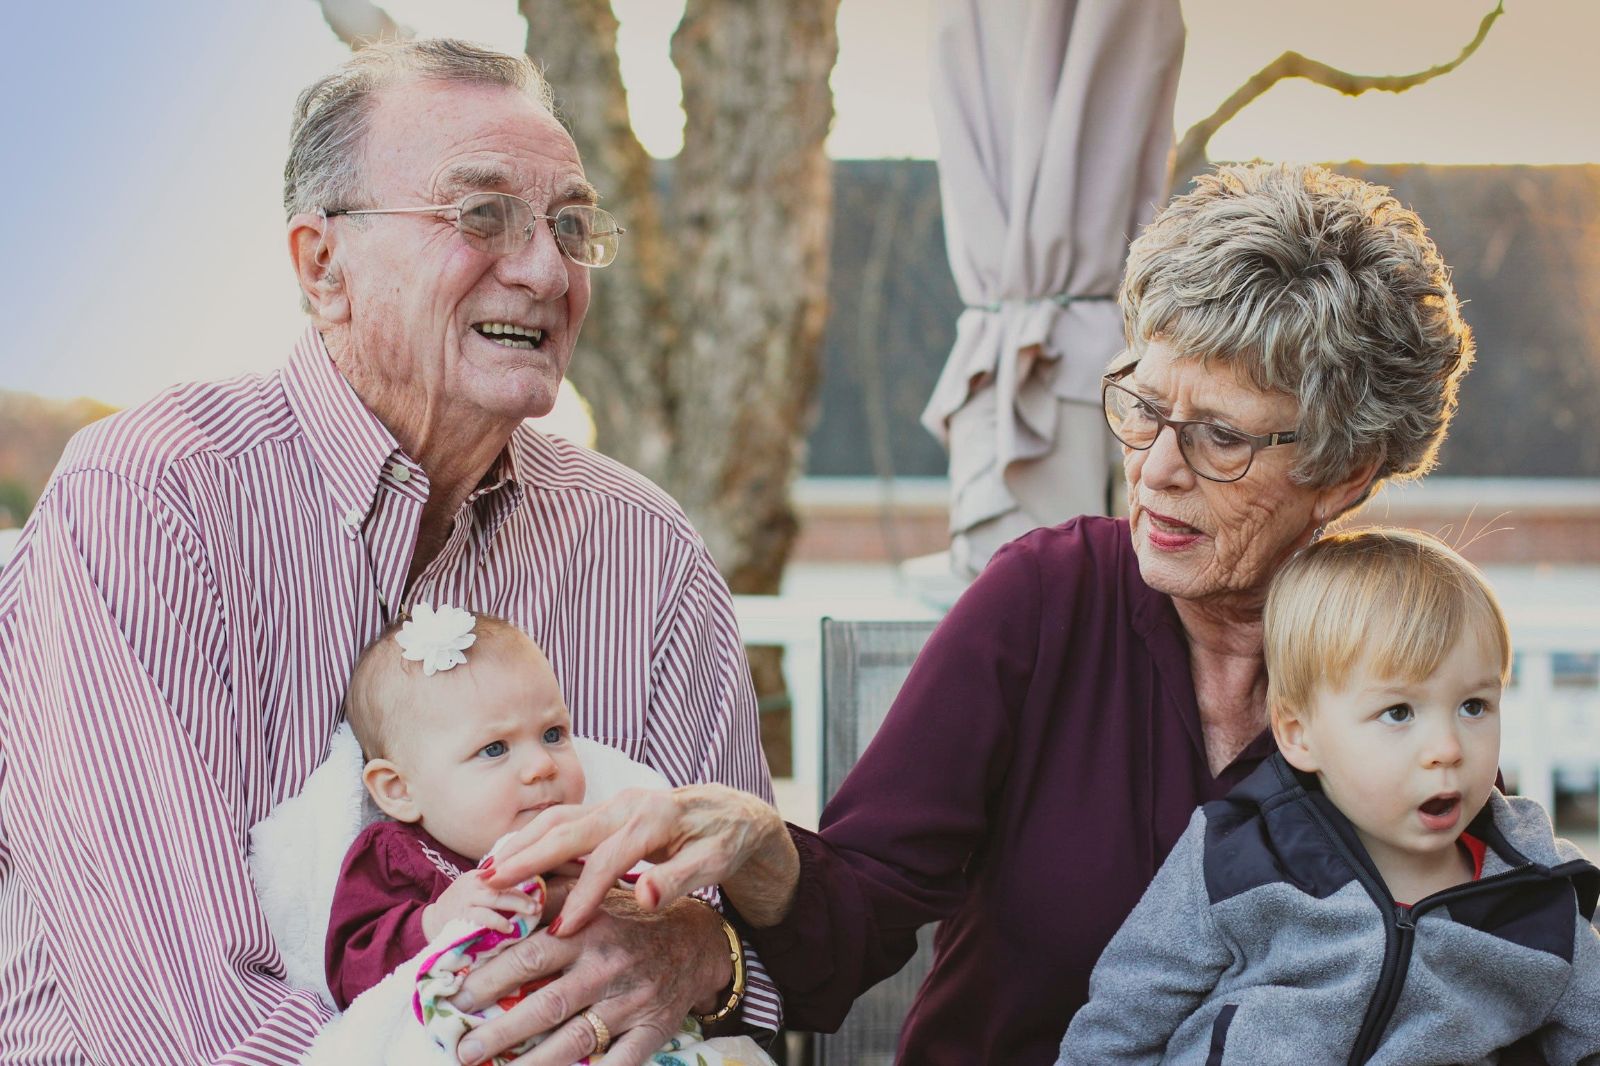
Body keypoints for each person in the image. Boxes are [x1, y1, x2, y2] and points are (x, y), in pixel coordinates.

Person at [482, 162, 1491, 1064]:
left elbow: (1477, 956)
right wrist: (761, 840)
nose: (1155, 470)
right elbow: (852, 926)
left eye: (1220, 436)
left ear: (1343, 472)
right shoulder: (1046, 601)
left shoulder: (1410, 657)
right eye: (1142, 407)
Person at [0, 39, 777, 1066]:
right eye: (482, 214)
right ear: (323, 267)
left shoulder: (645, 548)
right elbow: (176, 1020)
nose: (546, 270)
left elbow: (749, 955)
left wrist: (699, 953)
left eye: (570, 226)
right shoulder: (151, 501)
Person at [1058, 529, 1600, 1063]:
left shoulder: (1538, 899)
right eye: (1398, 712)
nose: (1447, 748)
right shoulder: (1238, 859)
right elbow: (1119, 1027)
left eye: (1474, 706)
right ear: (1299, 735)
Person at [325, 606, 585, 1009]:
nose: (542, 765)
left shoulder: (586, 840)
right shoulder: (398, 856)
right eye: (494, 749)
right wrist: (434, 922)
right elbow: (350, 974)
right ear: (400, 790)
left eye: (553, 734)